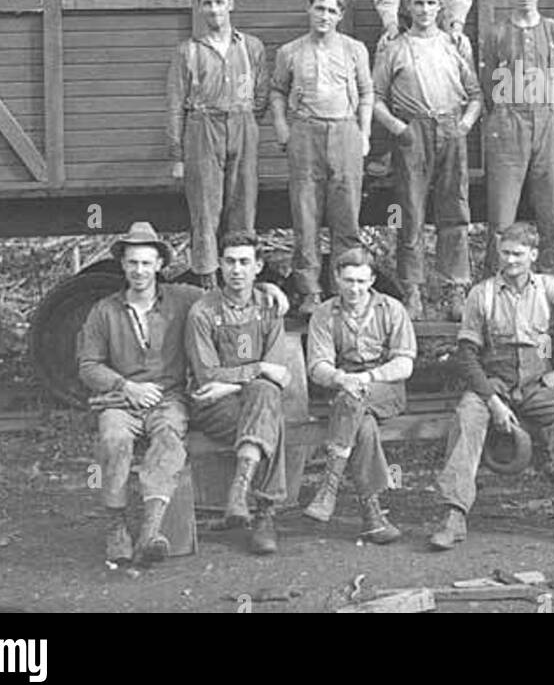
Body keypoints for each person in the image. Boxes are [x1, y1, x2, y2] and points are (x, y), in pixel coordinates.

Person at [429, 223, 554, 550]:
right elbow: (466, 356)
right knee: (466, 418)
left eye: (517, 254)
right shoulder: (481, 293)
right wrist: (492, 401)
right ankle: (454, 517)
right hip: (492, 382)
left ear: (533, 254)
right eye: (505, 253)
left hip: (535, 383)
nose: (510, 260)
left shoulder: (549, 288)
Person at [76, 222, 195, 565]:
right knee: (113, 438)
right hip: (122, 400)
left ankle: (149, 531)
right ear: (123, 266)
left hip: (168, 399)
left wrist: (267, 293)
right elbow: (88, 366)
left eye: (146, 263)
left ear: (159, 265)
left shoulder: (182, 299)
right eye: (132, 263)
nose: (139, 271)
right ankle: (116, 526)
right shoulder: (105, 310)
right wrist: (126, 386)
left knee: (169, 439)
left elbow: (225, 300)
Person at [373, 0, 483, 321]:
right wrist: (399, 129)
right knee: (408, 212)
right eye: (418, 3)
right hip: (412, 131)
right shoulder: (395, 48)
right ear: (407, 7)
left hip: (450, 128)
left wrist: (464, 124)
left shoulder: (454, 45)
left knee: (455, 209)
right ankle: (413, 291)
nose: (424, 9)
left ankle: (455, 289)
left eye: (430, 2)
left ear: (441, 6)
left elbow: (476, 94)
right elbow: (375, 99)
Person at [270, 0, 373, 314]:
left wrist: (365, 133)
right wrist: (282, 128)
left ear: (340, 15)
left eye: (332, 11)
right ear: (308, 8)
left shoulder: (354, 49)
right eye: (319, 8)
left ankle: (343, 289)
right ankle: (310, 291)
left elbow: (368, 92)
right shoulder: (291, 51)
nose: (324, 16)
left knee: (346, 218)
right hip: (305, 132)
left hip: (345, 130)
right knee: (306, 215)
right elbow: (276, 91)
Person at [187, 231, 292, 555]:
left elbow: (276, 372)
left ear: (258, 266)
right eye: (230, 261)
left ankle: (241, 494)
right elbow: (207, 377)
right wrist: (255, 371)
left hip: (251, 396)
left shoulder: (269, 306)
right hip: (212, 404)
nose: (236, 269)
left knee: (265, 396)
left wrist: (242, 379)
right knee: (270, 418)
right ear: (219, 264)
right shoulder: (202, 312)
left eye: (245, 262)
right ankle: (265, 514)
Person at [303, 248, 417, 543]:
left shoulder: (392, 309)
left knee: (353, 401)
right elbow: (318, 366)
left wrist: (368, 377)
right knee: (361, 424)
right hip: (344, 389)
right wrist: (342, 378)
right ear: (337, 279)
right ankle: (372, 515)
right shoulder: (324, 313)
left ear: (372, 280)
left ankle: (329, 487)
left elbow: (404, 363)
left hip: (385, 388)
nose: (355, 288)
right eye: (348, 280)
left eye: (361, 281)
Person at [166, 0, 269, 287]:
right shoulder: (188, 51)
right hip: (203, 126)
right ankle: (208, 283)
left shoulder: (251, 47)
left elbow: (262, 93)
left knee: (243, 204)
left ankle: (242, 281)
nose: (214, 9)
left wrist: (245, 122)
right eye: (208, 3)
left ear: (230, 5)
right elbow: (174, 103)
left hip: (242, 123)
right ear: (199, 8)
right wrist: (177, 154)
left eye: (219, 2)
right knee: (205, 210)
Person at [482, 0, 554, 277]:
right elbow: (489, 86)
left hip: (547, 122)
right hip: (508, 123)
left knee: (552, 212)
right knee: (501, 216)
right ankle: (495, 288)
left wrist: (551, 114)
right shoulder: (496, 33)